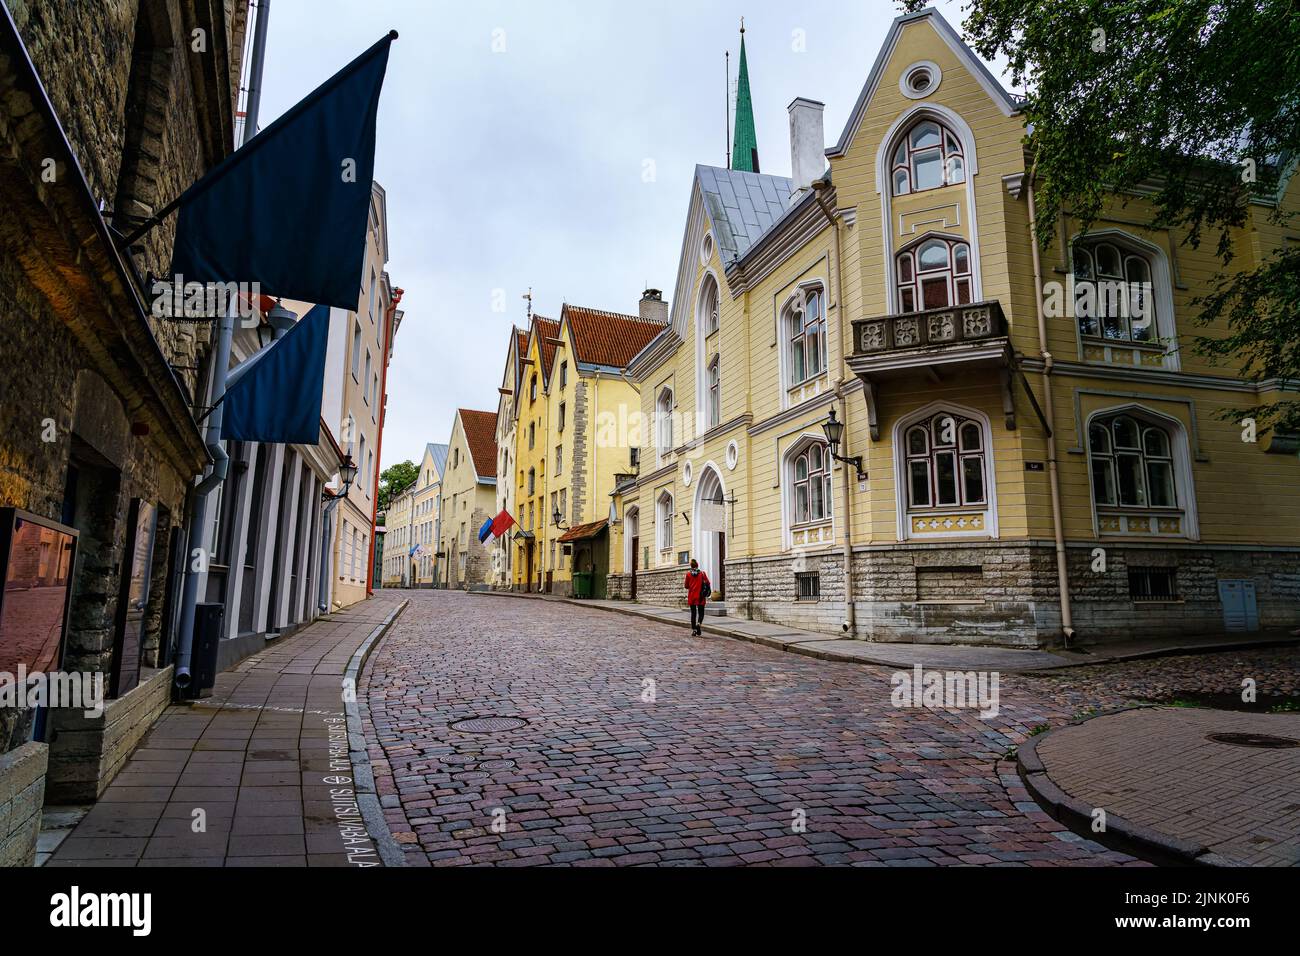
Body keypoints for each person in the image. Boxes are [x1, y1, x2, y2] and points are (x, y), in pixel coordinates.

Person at [683, 559, 711, 636]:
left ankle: (694, 630)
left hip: (692, 596)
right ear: (697, 565)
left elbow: (686, 586)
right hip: (700, 596)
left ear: (691, 566)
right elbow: (708, 583)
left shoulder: (688, 574)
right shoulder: (702, 573)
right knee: (701, 612)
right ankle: (698, 624)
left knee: (693, 613)